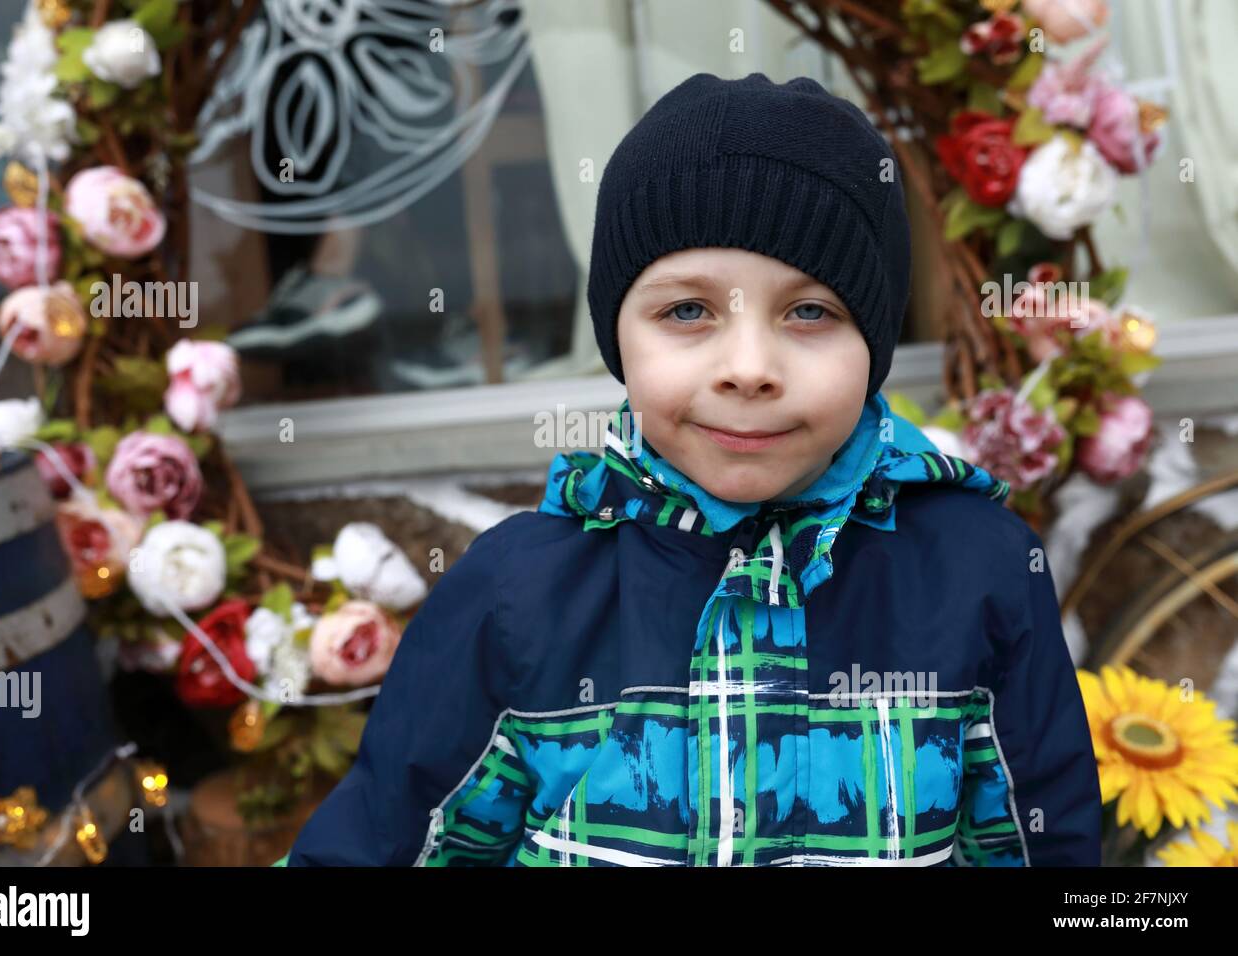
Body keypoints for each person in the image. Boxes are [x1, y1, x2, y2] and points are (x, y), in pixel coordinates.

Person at [285, 72, 1102, 867]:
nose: (748, 368)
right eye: (687, 311)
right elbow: (381, 843)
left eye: (810, 311)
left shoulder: (980, 570)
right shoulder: (518, 592)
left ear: (874, 346)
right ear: (618, 337)